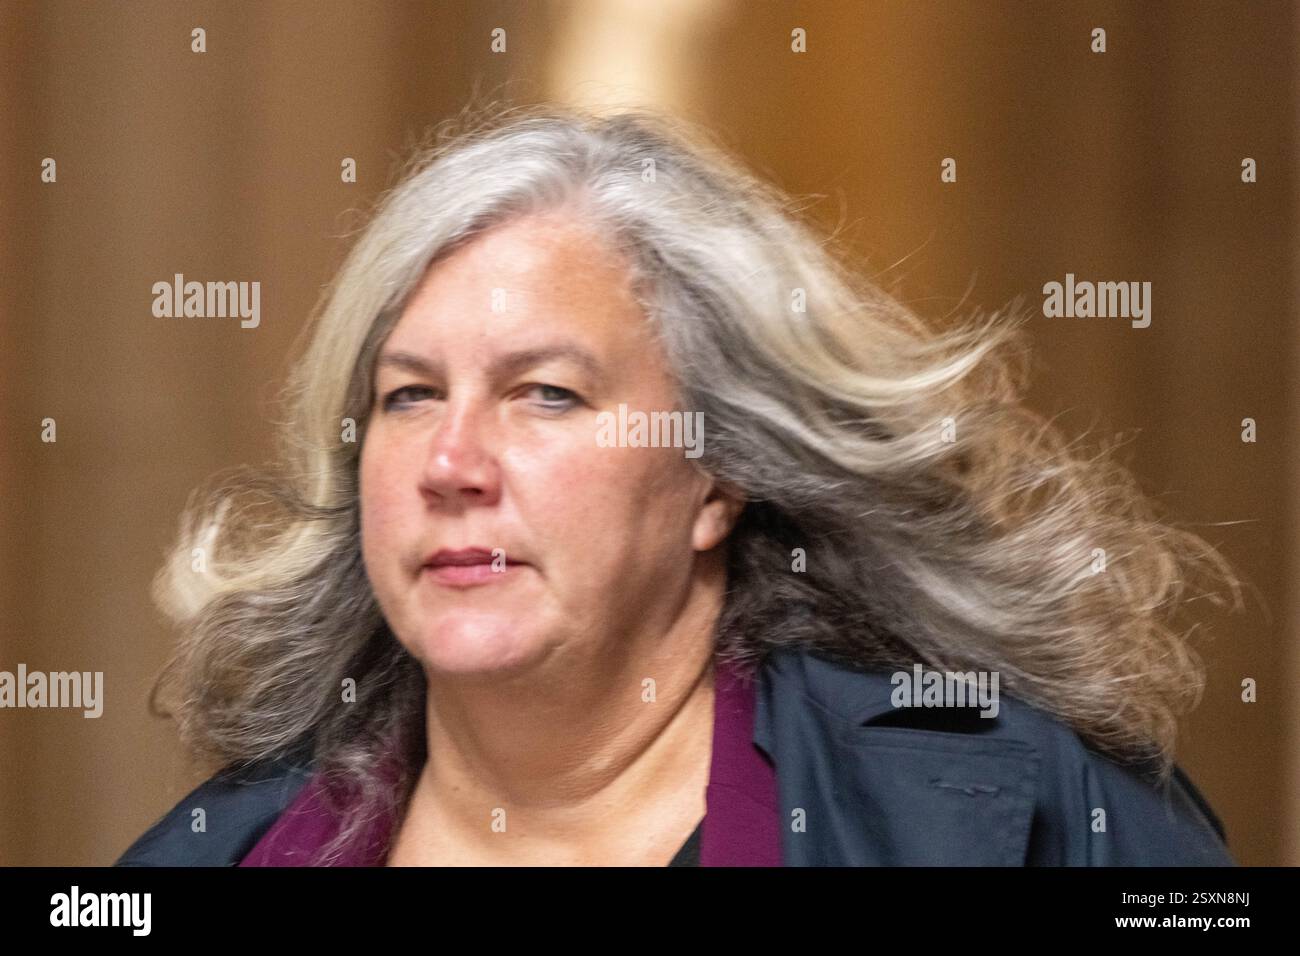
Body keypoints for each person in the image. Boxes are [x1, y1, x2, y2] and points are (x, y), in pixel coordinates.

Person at [116, 105, 1240, 867]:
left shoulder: (1013, 809)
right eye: (409, 396)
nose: (451, 464)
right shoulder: (217, 851)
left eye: (546, 393)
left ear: (716, 475)